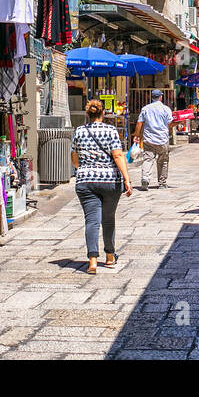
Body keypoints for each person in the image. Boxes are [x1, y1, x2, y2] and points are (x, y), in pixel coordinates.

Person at [72, 99, 132, 274]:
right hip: (109, 181)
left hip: (85, 181)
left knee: (92, 220)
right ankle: (110, 256)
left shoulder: (80, 131)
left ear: (87, 114)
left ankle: (92, 261)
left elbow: (74, 157)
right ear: (102, 113)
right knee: (108, 218)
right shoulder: (111, 130)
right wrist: (127, 179)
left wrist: (83, 169)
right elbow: (118, 155)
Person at [133, 89, 174, 190]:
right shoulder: (166, 109)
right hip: (162, 139)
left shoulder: (145, 109)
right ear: (161, 97)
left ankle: (145, 179)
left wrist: (137, 135)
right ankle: (162, 183)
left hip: (149, 139)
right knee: (163, 161)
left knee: (148, 159)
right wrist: (180, 122)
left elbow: (139, 123)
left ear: (151, 97)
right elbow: (170, 124)